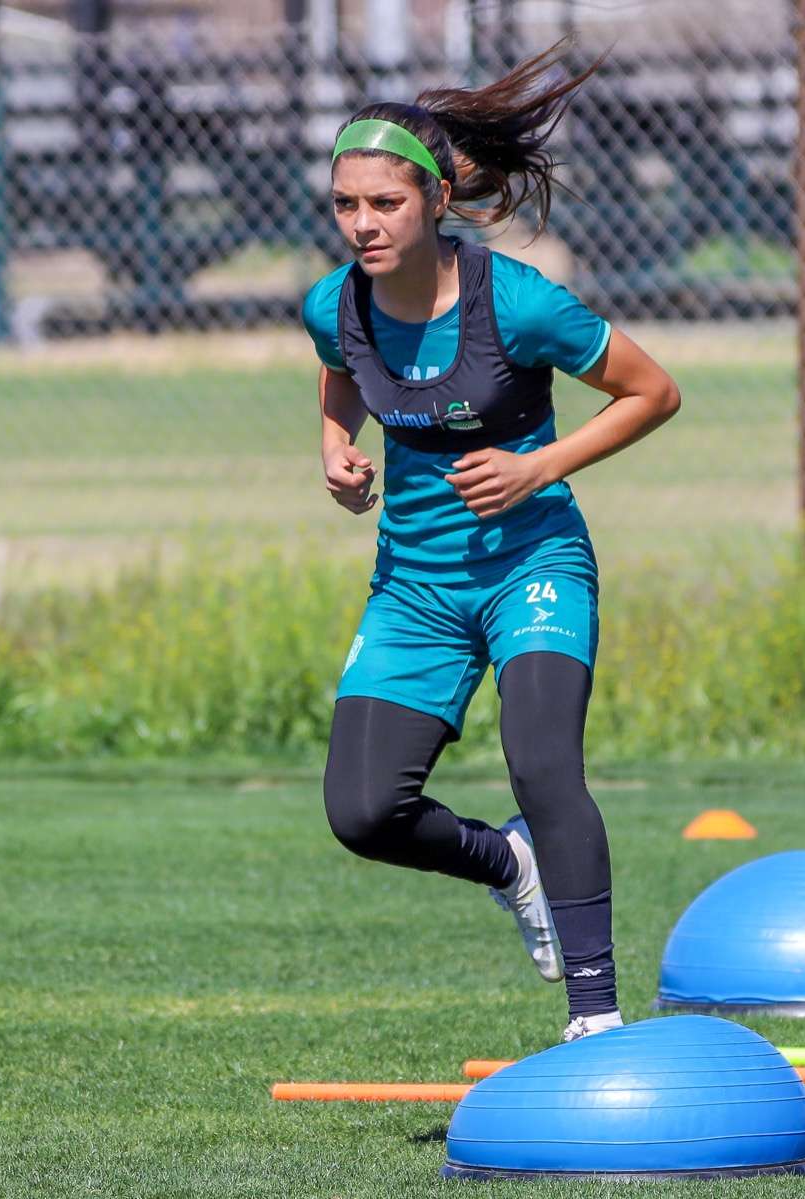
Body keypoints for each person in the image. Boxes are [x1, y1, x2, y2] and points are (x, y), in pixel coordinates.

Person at [301, 40, 681, 1043]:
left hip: (530, 568)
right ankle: (507, 864)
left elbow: (654, 391)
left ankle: (594, 1018)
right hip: (415, 590)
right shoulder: (331, 304)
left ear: (435, 200)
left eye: (383, 204)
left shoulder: (515, 301)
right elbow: (340, 371)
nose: (362, 224)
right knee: (362, 811)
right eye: (345, 205)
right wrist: (337, 448)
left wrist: (539, 466)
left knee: (543, 764)